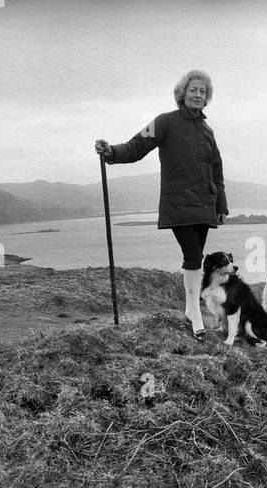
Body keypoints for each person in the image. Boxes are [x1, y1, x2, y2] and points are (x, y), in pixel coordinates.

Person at [95, 70, 227, 342]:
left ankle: (191, 311)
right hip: (178, 204)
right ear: (182, 93)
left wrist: (221, 205)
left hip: (205, 205)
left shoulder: (207, 130)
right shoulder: (164, 122)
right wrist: (111, 152)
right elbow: (136, 146)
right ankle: (196, 315)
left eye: (203, 92)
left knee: (195, 259)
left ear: (207, 98)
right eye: (193, 90)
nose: (198, 95)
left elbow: (216, 169)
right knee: (193, 257)